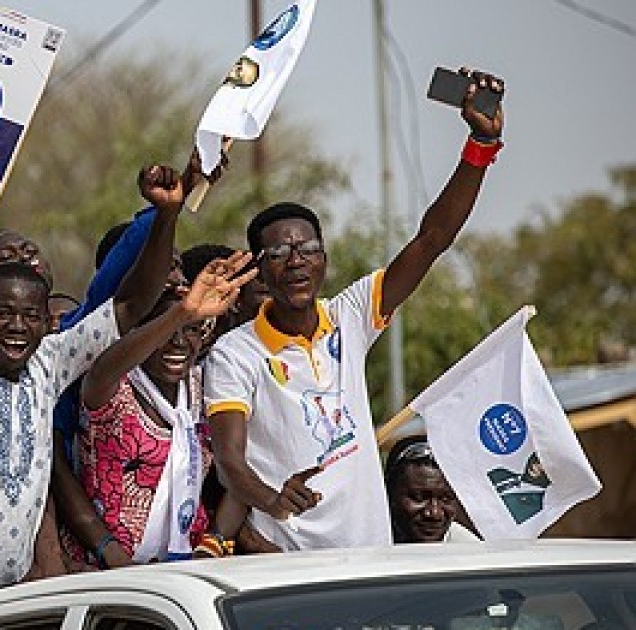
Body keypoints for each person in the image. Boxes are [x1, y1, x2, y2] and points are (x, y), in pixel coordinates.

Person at [204, 69, 505, 551]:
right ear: (260, 271)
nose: (296, 261)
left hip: (366, 558)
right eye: (279, 253)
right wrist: (275, 501)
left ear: (324, 259)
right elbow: (229, 463)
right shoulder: (233, 355)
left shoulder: (350, 315)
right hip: (287, 566)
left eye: (308, 248)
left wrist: (480, 146)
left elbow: (432, 241)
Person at [0, 163, 187, 618]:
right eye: (3, 313)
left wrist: (165, 216)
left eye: (30, 315)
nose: (17, 326)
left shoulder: (49, 362)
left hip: (14, 605)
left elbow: (129, 305)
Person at [70, 253, 257, 566]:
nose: (179, 343)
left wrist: (215, 541)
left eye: (193, 330)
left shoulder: (207, 387)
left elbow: (239, 465)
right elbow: (100, 371)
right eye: (167, 333)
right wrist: (183, 312)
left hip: (184, 567)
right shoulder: (113, 385)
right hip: (106, 569)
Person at [384, 436, 479, 543]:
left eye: (446, 499)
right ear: (389, 494)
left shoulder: (473, 553)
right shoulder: (366, 542)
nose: (434, 513)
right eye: (419, 498)